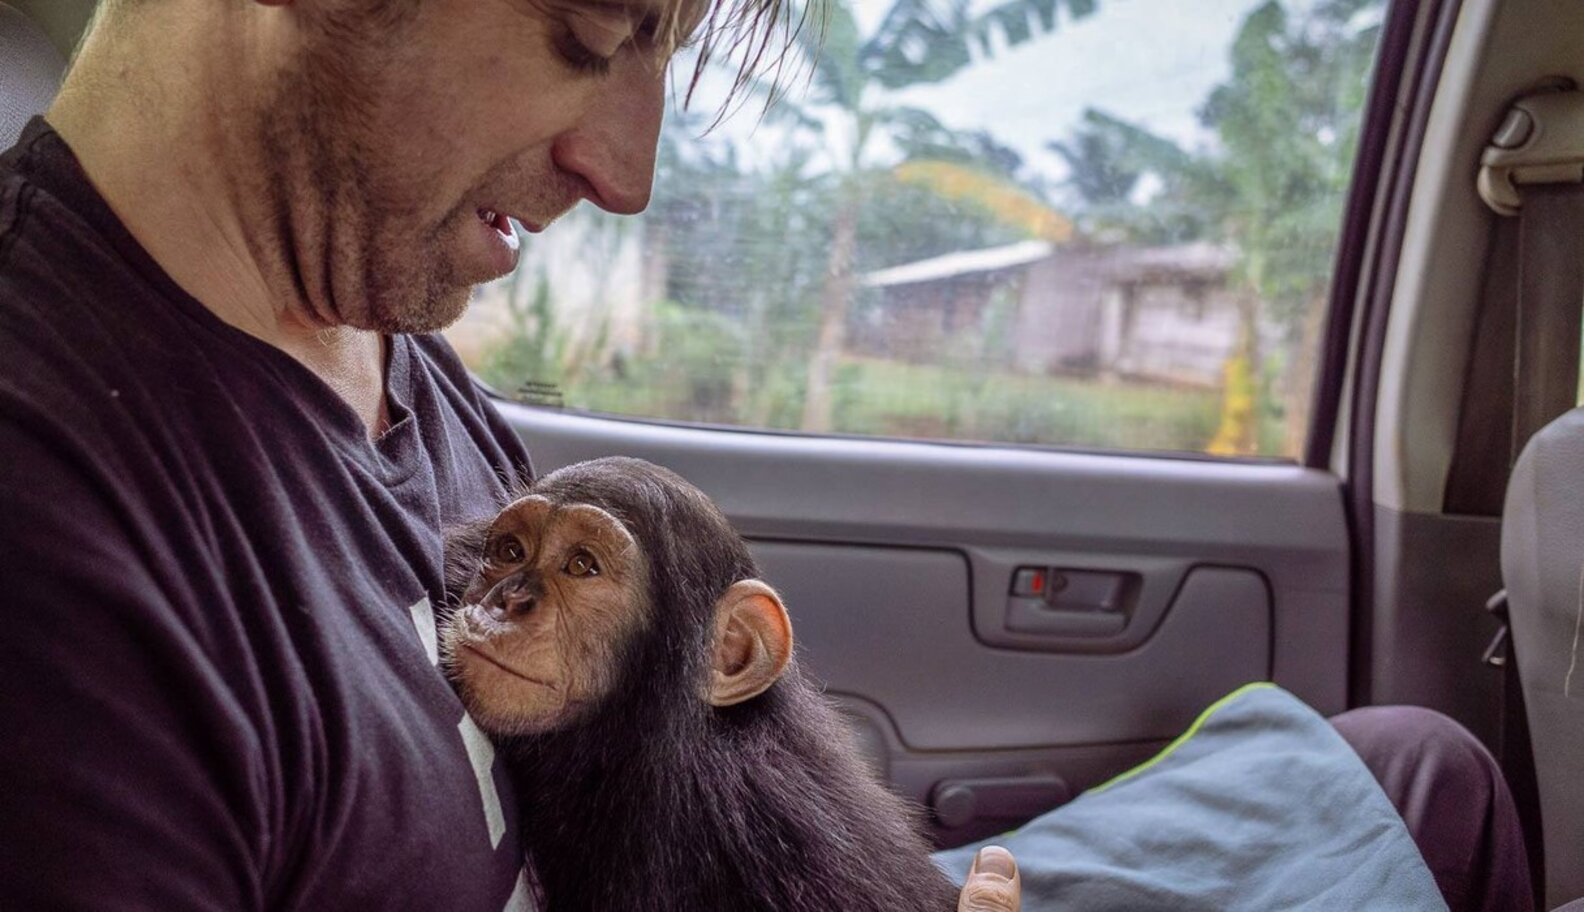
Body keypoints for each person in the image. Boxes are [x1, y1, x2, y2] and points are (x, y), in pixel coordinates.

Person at [0, 0, 1530, 910]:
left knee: (1416, 770)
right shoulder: (60, 539)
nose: (629, 172)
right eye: (593, 33)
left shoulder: (374, 327)